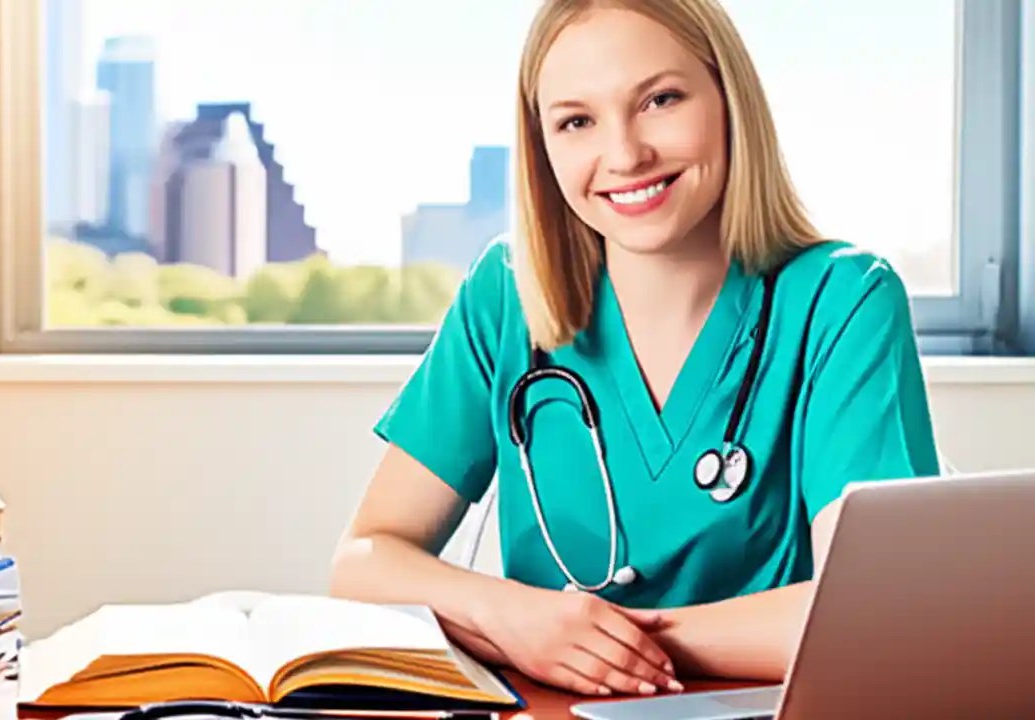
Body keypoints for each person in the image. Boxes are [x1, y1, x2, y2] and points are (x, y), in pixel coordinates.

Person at [328, 0, 940, 701]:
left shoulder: (843, 301)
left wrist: (608, 639)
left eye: (660, 100)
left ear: (729, 100)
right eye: (577, 121)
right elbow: (363, 561)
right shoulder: (506, 294)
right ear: (543, 145)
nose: (624, 155)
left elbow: (879, 617)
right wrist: (514, 617)